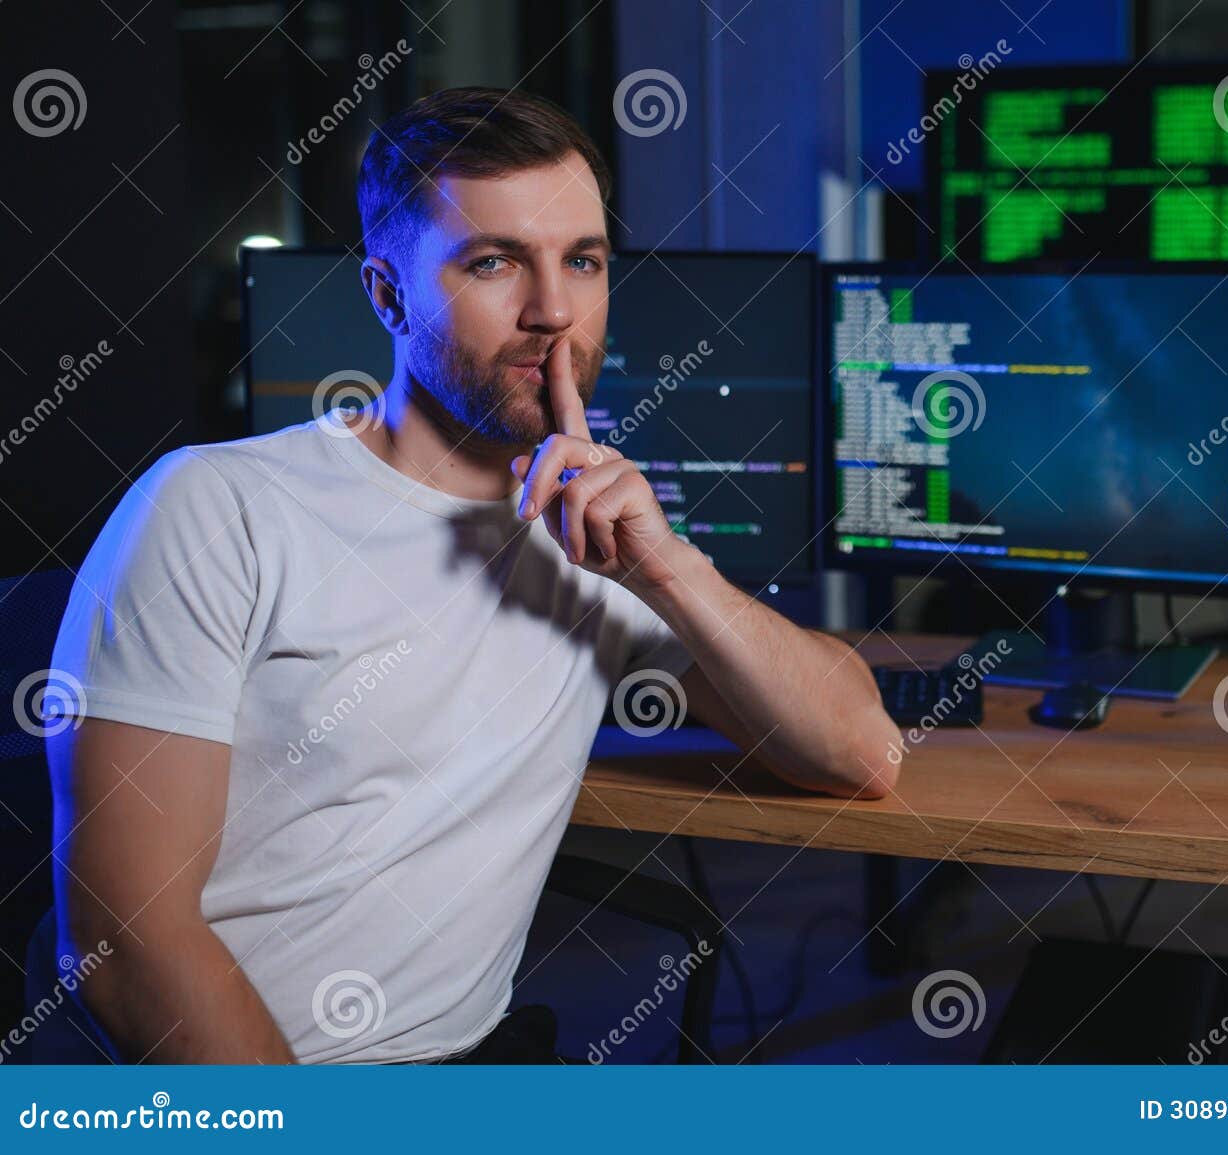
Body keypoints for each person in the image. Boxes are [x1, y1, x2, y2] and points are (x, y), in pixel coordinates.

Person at [40, 86, 900, 1065]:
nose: (554, 312)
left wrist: (665, 568)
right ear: (387, 294)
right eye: (494, 262)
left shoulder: (596, 539)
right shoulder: (215, 508)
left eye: (582, 260)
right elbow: (123, 945)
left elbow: (862, 754)